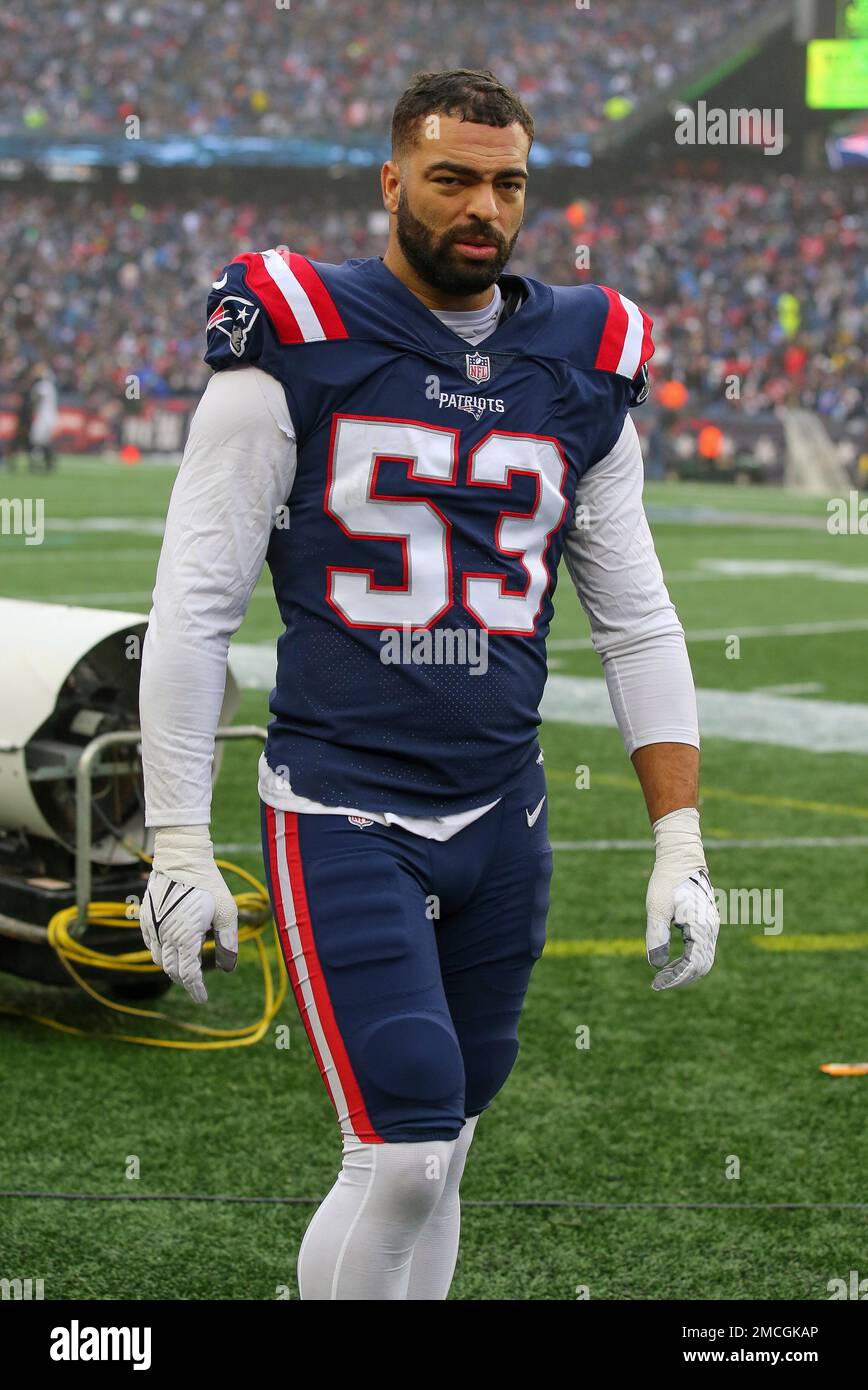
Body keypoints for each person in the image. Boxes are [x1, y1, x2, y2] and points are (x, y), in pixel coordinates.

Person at [138, 68, 720, 1301]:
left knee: (447, 1145)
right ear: (391, 181)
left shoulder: (582, 354)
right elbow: (193, 603)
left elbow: (638, 618)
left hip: (502, 812)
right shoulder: (294, 329)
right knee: (397, 1150)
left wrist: (682, 838)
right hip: (343, 800)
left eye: (507, 183)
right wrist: (178, 839)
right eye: (452, 178)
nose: (483, 209)